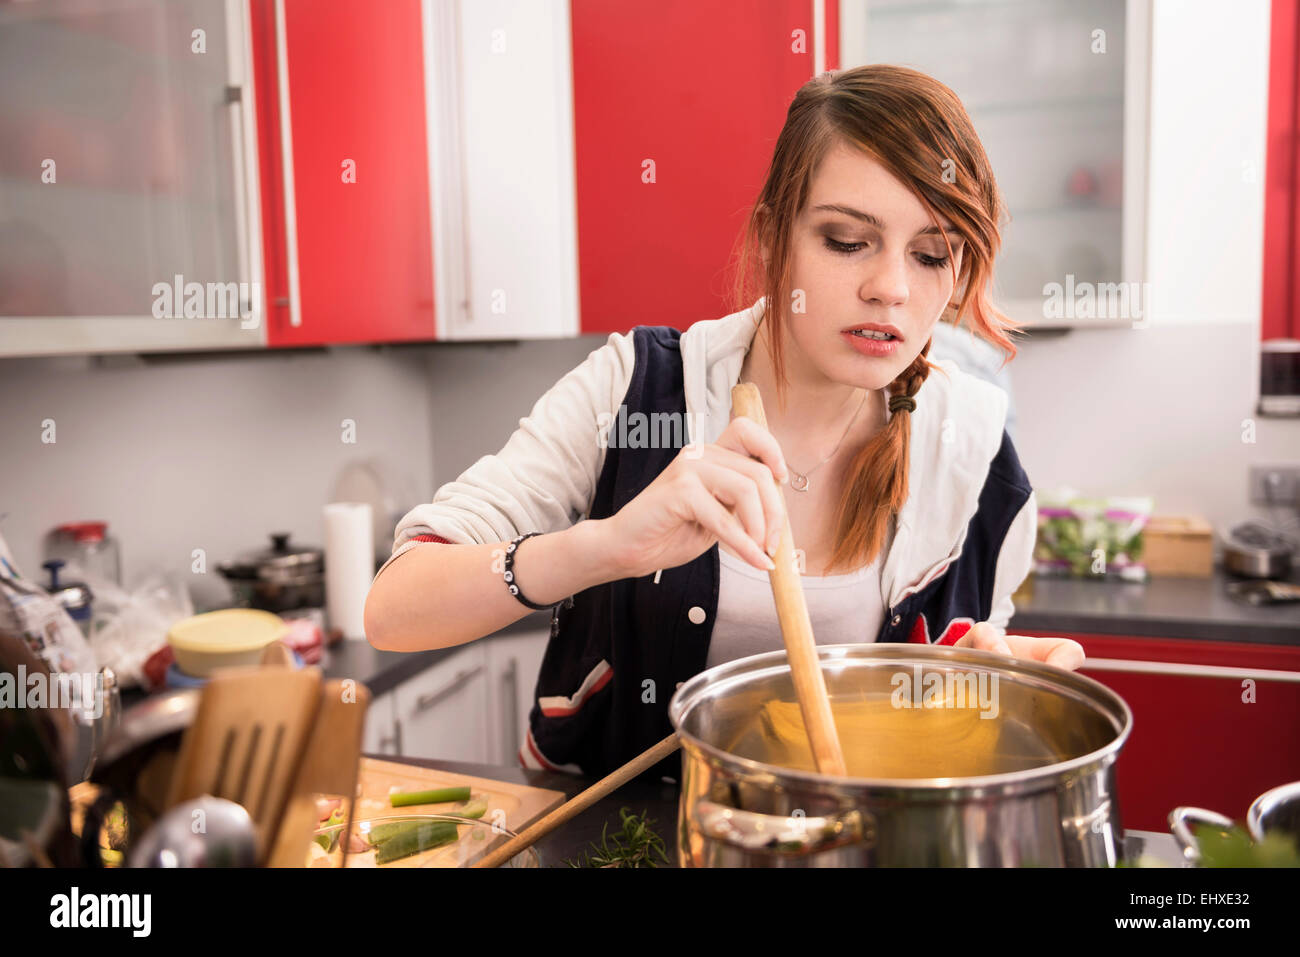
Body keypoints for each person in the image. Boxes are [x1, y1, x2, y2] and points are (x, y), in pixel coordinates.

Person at [365, 64, 1083, 778]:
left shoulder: (973, 453)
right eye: (845, 240)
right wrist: (608, 546)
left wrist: (988, 669)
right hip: (609, 841)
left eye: (930, 254)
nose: (891, 288)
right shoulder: (637, 391)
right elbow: (395, 607)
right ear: (775, 238)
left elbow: (952, 664)